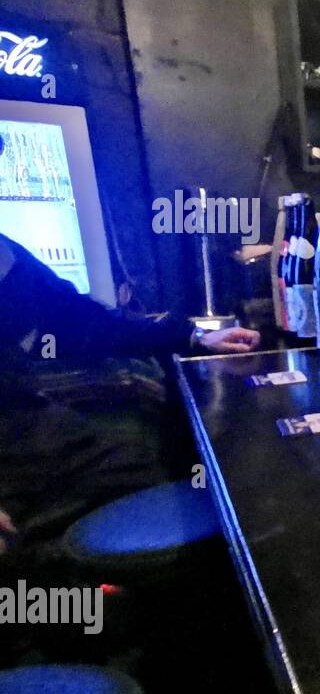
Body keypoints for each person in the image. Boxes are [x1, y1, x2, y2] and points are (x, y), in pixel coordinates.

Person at [0, 232, 260, 554]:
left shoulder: (9, 256)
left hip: (36, 426)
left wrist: (195, 337)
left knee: (172, 464)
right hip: (17, 454)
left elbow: (83, 321)